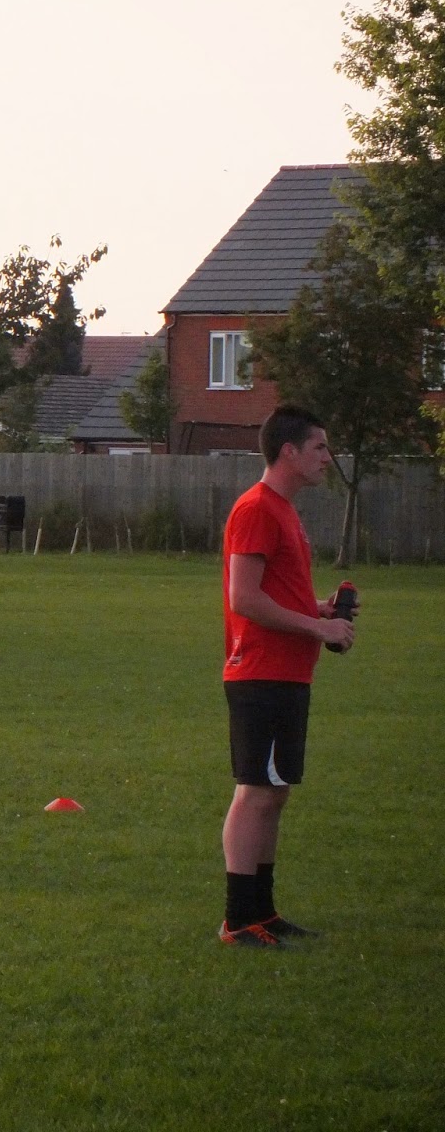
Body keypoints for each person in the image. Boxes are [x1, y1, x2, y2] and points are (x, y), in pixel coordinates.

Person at [217, 405, 356, 948]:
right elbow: (244, 598)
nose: (328, 457)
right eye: (320, 447)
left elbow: (273, 593)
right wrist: (318, 630)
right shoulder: (257, 509)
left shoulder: (285, 511)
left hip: (287, 674)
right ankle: (237, 920)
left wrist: (317, 610)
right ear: (289, 452)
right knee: (255, 793)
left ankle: (263, 913)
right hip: (261, 672)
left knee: (274, 793)